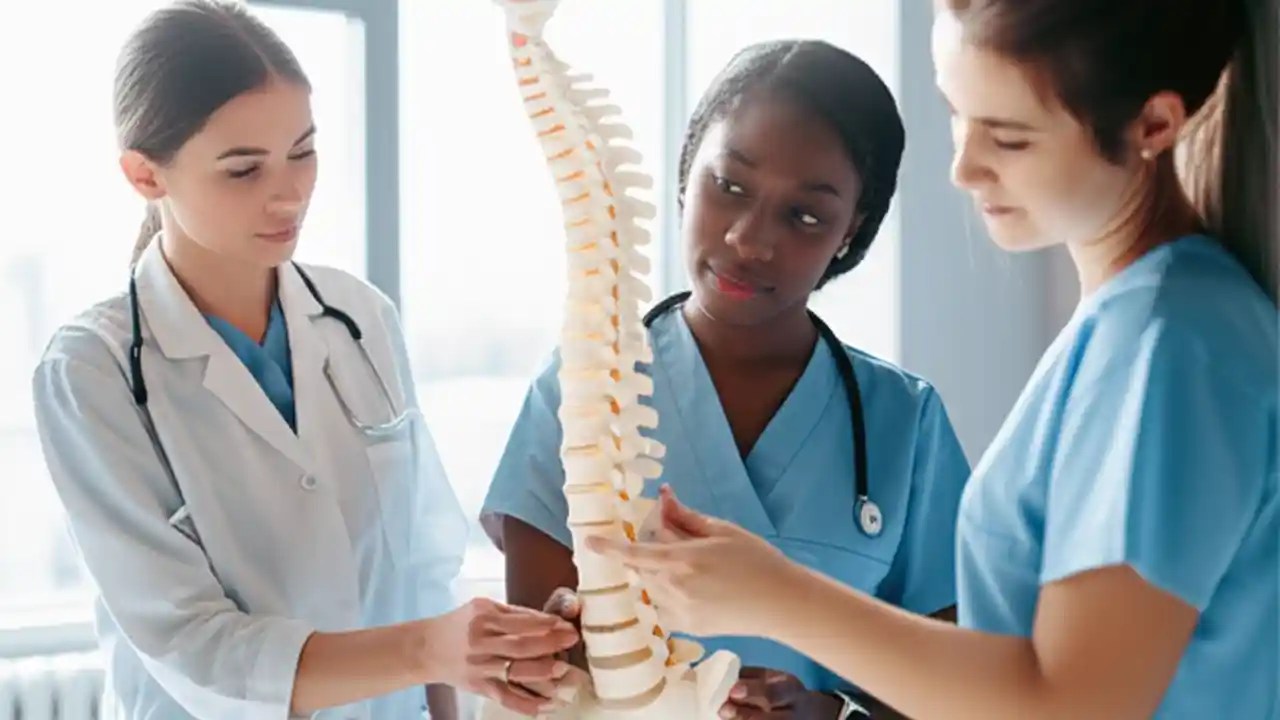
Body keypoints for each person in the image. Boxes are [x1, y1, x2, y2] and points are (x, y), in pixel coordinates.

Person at [590, 0, 1279, 717]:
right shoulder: (1137, 325)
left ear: (1155, 126)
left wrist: (776, 595)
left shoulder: (1175, 350)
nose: (963, 168)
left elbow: (1075, 703)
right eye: (958, 113)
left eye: (1008, 138)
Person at [32, 2, 576, 718]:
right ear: (145, 175)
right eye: (242, 170)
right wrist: (429, 648)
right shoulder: (92, 374)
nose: (288, 193)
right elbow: (195, 648)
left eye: (303, 151)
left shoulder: (359, 319)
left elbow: (423, 574)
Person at [481, 40, 972, 719]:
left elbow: (962, 687)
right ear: (687, 170)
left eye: (805, 215)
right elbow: (532, 672)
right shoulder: (585, 388)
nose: (749, 239)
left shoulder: (905, 424)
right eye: (730, 187)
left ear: (850, 232)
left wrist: (828, 713)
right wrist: (561, 648)